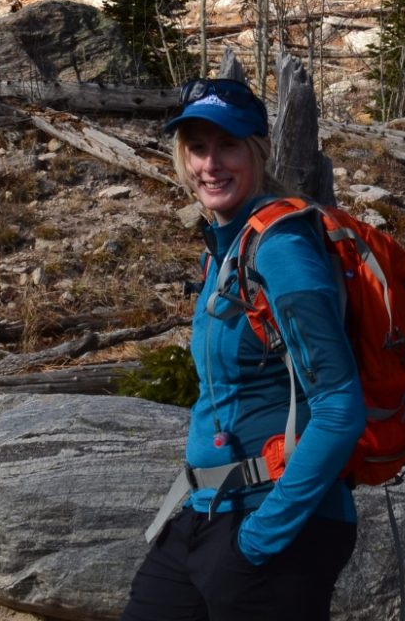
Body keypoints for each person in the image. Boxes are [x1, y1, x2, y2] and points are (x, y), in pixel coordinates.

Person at [120, 76, 365, 621]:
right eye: (198, 148)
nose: (211, 164)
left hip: (275, 530)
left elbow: (341, 406)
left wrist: (258, 541)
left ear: (257, 149)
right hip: (207, 512)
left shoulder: (283, 252)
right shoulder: (225, 249)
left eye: (227, 145)